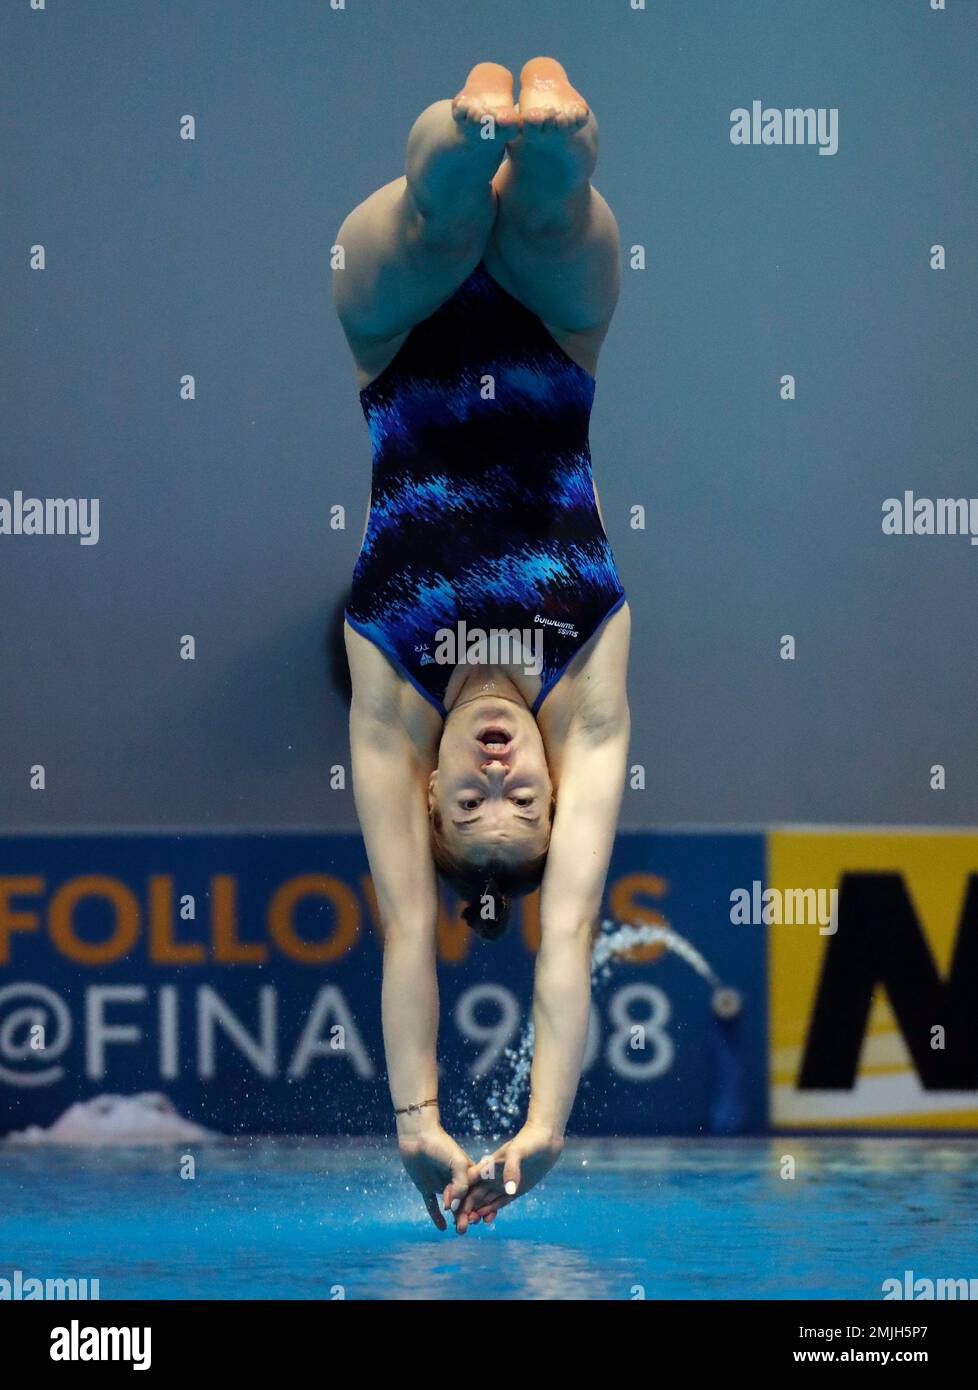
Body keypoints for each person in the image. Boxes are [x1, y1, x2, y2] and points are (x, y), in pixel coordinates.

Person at [333, 57, 631, 1233]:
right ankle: (547, 122)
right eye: (525, 800)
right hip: (561, 330)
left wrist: (418, 1122)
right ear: (562, 787)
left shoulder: (389, 692)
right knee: (555, 197)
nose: (499, 773)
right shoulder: (588, 679)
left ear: (430, 798)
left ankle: (475, 122)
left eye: (470, 804)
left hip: (395, 336)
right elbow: (567, 934)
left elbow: (412, 929)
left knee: (436, 204)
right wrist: (545, 1122)